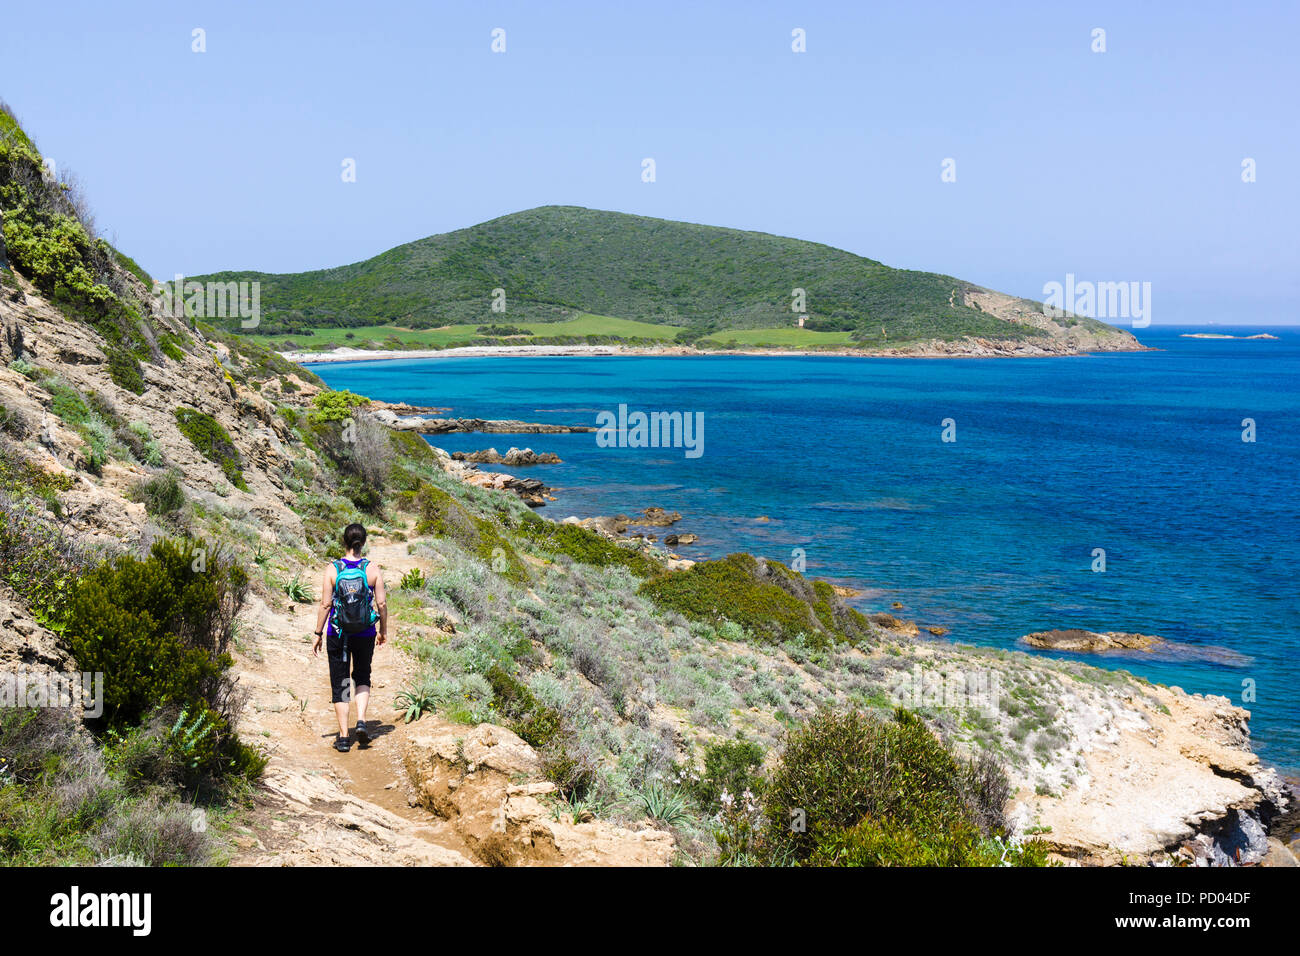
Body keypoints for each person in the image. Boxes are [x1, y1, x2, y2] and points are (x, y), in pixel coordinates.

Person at [312, 523, 388, 752]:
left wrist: (317, 633)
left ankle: (344, 737)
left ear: (343, 541)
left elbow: (326, 604)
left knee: (341, 680)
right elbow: (382, 603)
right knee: (363, 675)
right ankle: (362, 721)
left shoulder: (333, 569)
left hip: (338, 633)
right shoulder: (372, 569)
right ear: (363, 543)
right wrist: (383, 630)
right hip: (365, 632)